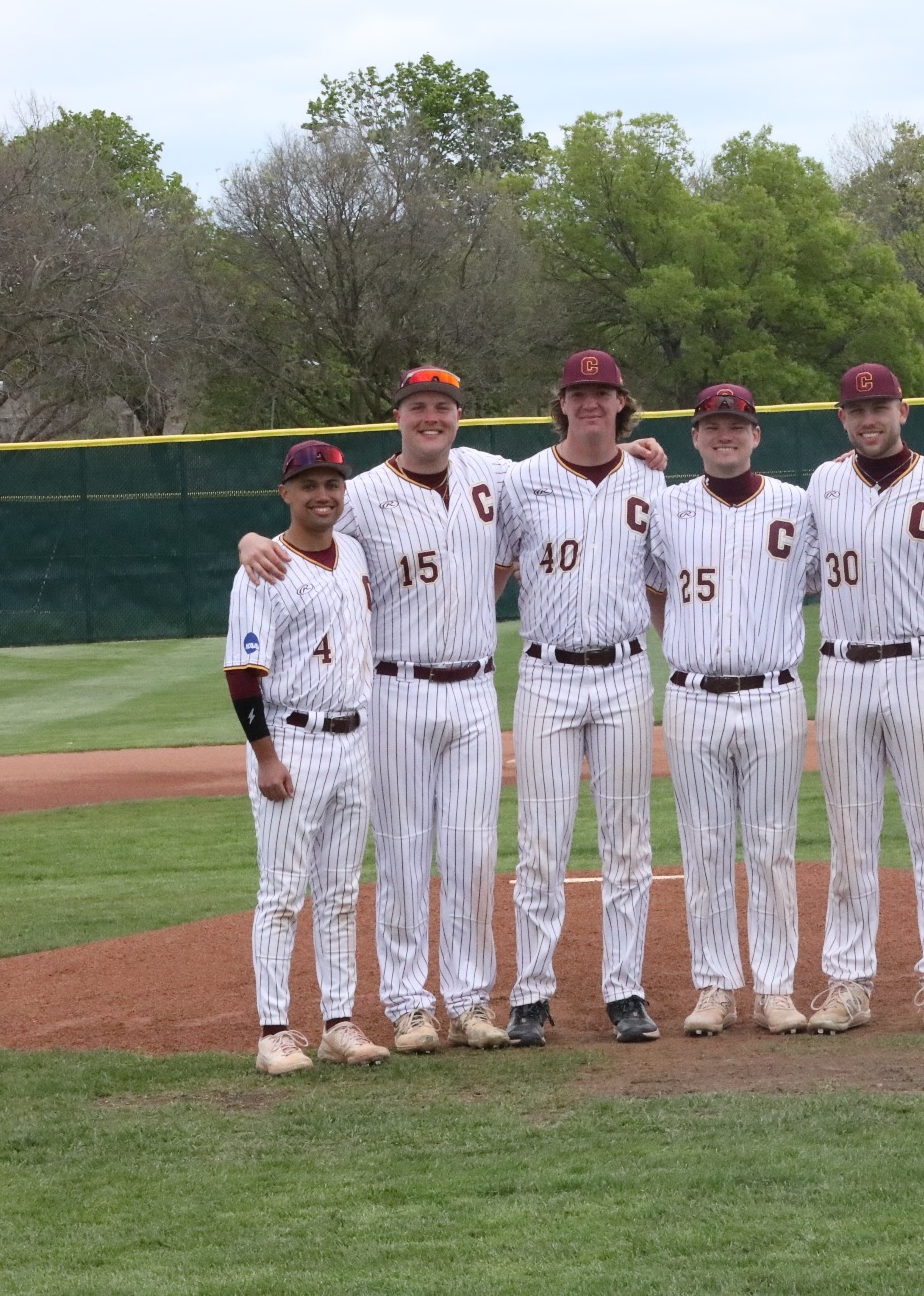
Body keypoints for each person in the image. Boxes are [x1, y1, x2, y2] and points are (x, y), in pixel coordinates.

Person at [236, 367, 666, 1056]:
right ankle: (409, 1006)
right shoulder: (365, 494)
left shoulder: (494, 474)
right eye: (417, 407)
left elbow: (577, 467)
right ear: (399, 416)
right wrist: (249, 539)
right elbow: (303, 524)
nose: (429, 417)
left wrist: (640, 452)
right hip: (396, 687)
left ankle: (469, 1001)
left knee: (470, 851)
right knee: (405, 853)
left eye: (441, 406)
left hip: (473, 690)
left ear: (458, 415)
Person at [805, 363, 924, 1035]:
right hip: (844, 669)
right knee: (851, 834)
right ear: (842, 417)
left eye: (879, 406)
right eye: (856, 409)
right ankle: (848, 981)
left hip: (918, 665)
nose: (868, 418)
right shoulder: (824, 483)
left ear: (902, 410)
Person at [496, 350, 669, 1045]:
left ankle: (625, 989)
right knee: (541, 841)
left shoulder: (651, 480)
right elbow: (494, 572)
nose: (591, 402)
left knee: (628, 839)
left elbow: (660, 581)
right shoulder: (522, 481)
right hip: (546, 673)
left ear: (622, 401)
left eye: (603, 392)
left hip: (625, 671)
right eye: (579, 392)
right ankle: (530, 994)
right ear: (560, 401)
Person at [646, 384, 820, 1037]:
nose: (725, 433)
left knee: (773, 846)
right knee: (706, 845)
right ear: (694, 435)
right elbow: (654, 589)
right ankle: (716, 984)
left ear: (756, 434)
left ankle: (775, 987)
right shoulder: (666, 508)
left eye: (736, 424)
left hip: (774, 692)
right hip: (693, 695)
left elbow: (823, 579)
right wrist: (688, 646)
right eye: (713, 424)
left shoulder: (797, 507)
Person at [225, 440, 389, 1074]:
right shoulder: (262, 568)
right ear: (285, 493)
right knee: (284, 892)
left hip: (354, 740)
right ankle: (273, 1032)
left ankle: (339, 1023)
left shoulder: (352, 551)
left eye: (333, 483)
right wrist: (265, 757)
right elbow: (242, 674)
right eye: (310, 484)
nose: (324, 494)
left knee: (342, 891)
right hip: (290, 739)